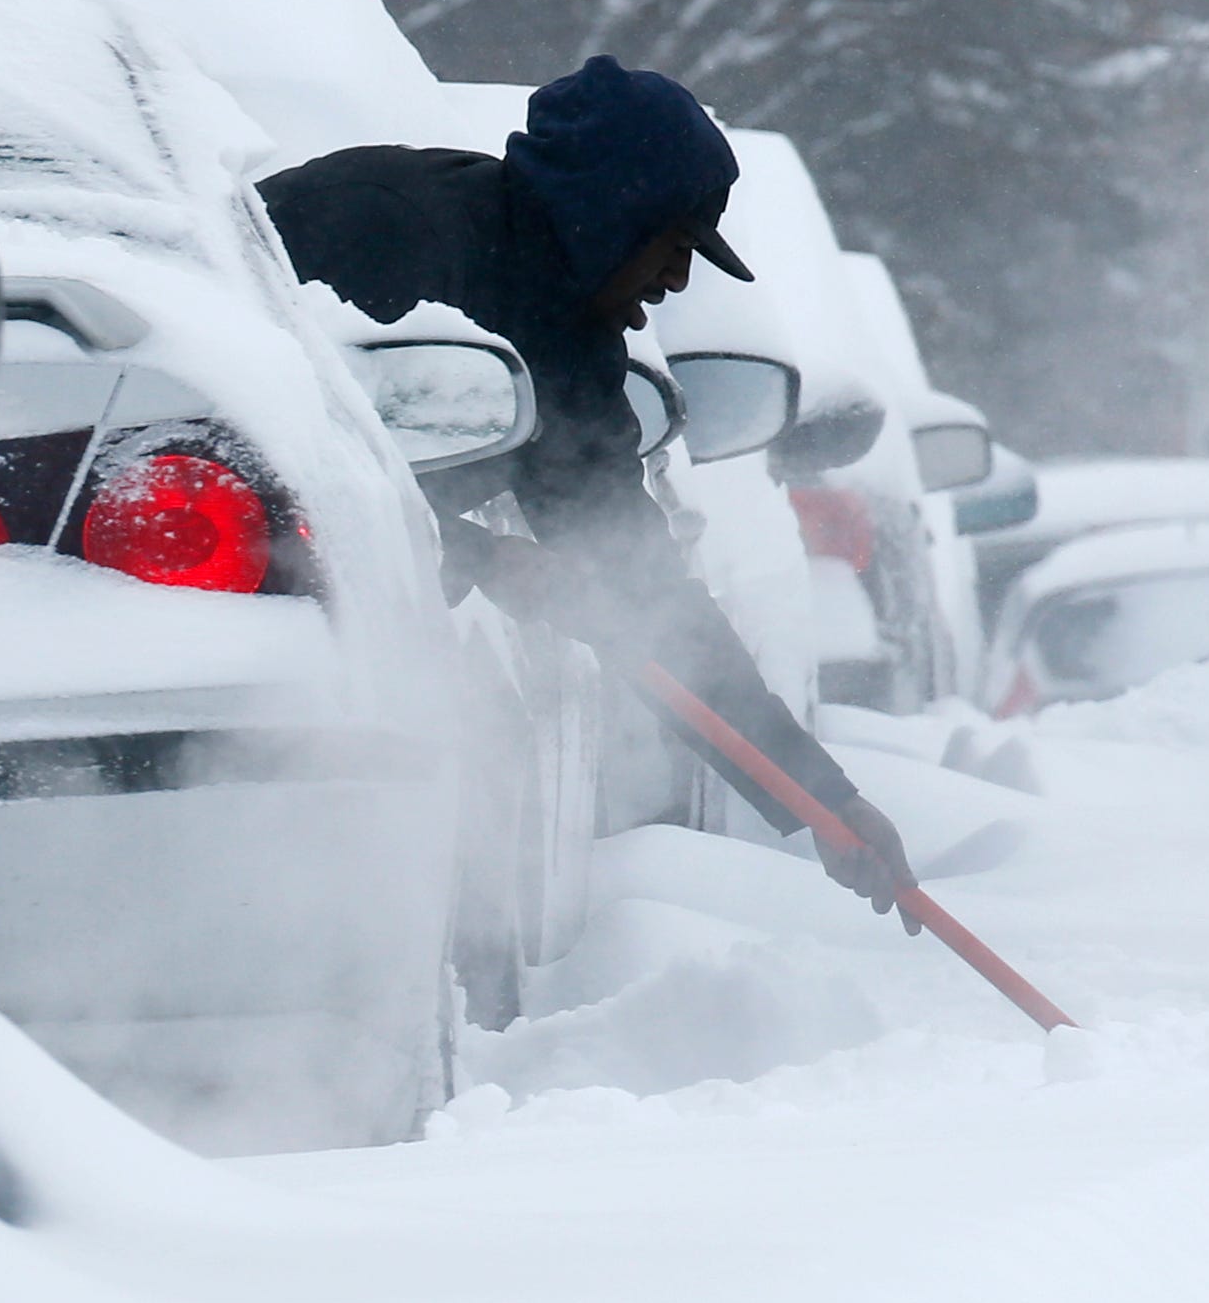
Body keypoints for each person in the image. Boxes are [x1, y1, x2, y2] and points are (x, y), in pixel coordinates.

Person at [258, 58, 917, 922]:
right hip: (221, 618)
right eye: (674, 244)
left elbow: (646, 598)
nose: (677, 281)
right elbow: (290, 468)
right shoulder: (383, 233)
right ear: (607, 212)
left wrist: (825, 801)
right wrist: (480, 556)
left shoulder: (564, 340)